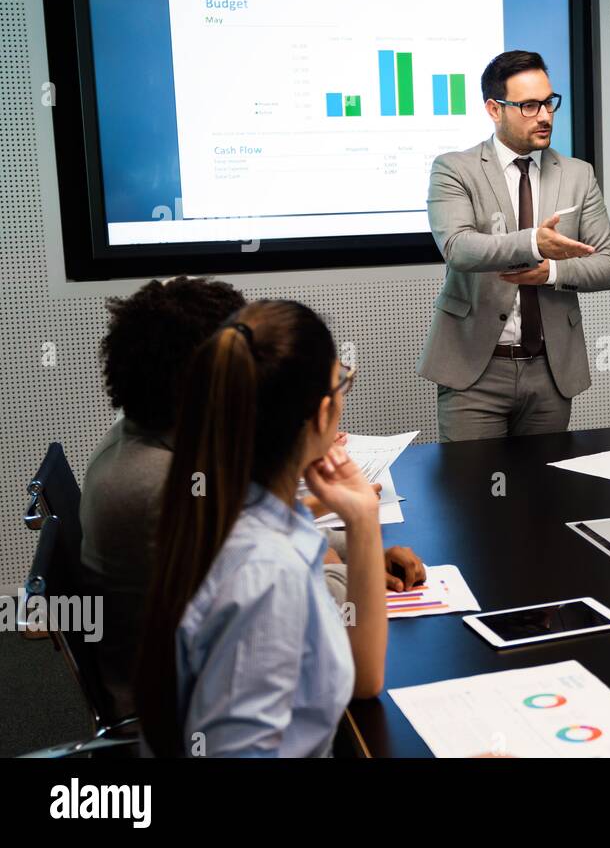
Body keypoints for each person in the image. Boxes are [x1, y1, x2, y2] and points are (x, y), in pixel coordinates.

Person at [81, 279, 422, 721]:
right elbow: (348, 652)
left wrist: (353, 550)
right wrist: (354, 557)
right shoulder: (165, 489)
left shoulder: (149, 441)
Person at [135, 302, 388, 757]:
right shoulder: (267, 573)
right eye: (342, 381)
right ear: (322, 414)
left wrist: (363, 519)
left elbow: (365, 678)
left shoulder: (240, 511)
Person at [420, 50, 610, 440]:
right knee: (471, 494)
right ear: (495, 109)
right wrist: (533, 242)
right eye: (529, 105)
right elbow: (459, 249)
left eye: (549, 102)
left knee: (543, 496)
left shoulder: (578, 175)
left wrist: (552, 272)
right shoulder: (454, 168)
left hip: (550, 370)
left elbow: (609, 266)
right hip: (474, 371)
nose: (545, 115)